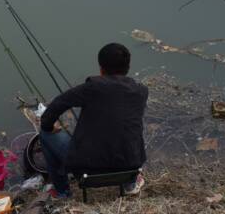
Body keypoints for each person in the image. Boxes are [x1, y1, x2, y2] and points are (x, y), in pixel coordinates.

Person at [38, 42, 148, 198]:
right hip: (129, 170)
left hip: (87, 172)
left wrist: (49, 126)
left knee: (46, 134)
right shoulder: (141, 91)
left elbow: (55, 107)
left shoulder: (92, 88)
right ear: (128, 67)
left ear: (101, 68)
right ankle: (130, 184)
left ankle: (63, 192)